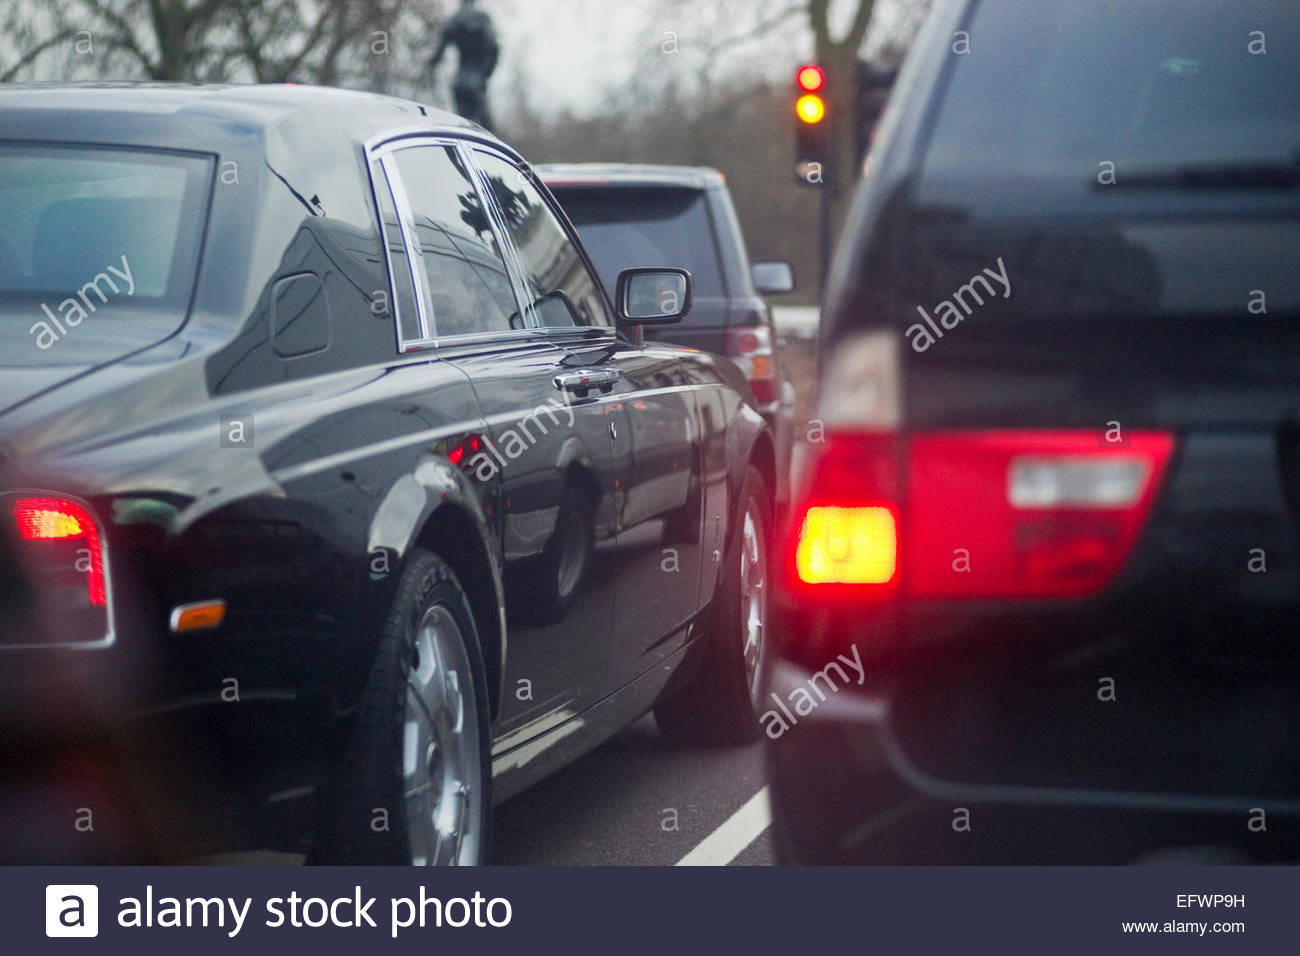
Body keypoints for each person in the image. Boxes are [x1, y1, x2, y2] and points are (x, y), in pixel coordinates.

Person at [430, 0, 500, 131]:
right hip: (476, 77)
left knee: (463, 123)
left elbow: (437, 53)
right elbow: (494, 48)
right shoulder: (482, 18)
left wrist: (431, 65)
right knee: (485, 126)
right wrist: (486, 73)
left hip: (460, 79)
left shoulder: (453, 20)